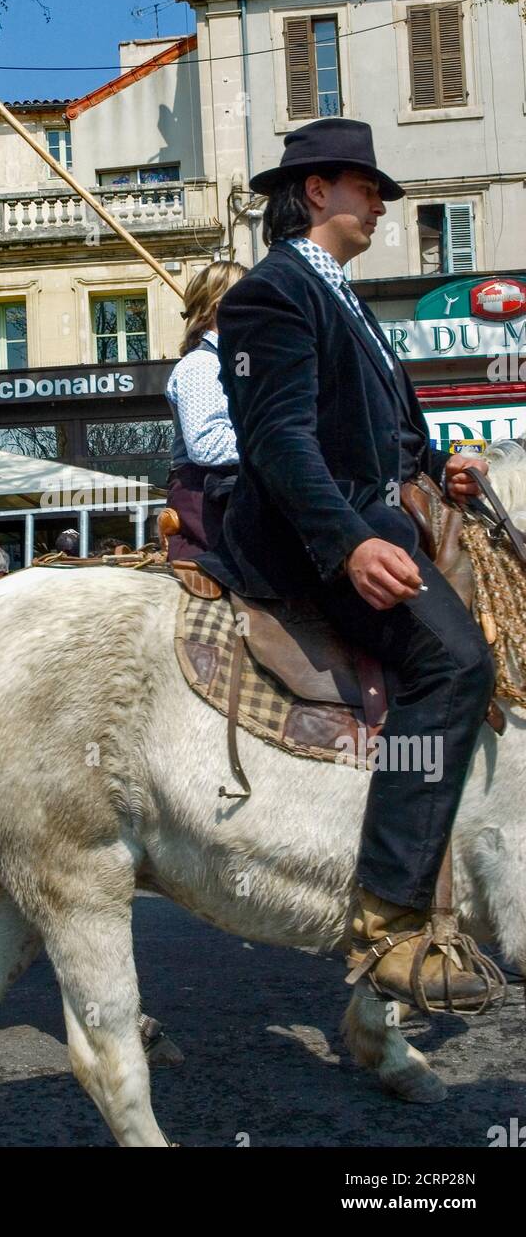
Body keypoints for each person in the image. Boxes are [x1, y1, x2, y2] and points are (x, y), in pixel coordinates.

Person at [199, 117, 494, 1012]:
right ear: (317, 192)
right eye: (367, 188)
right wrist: (348, 541)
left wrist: (439, 466)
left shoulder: (346, 297)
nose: (378, 204)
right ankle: (387, 921)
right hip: (305, 528)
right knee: (455, 662)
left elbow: (388, 427)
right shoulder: (270, 294)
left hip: (375, 506)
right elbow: (279, 440)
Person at [164, 262, 246, 560]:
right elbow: (207, 446)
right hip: (205, 496)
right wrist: (276, 444)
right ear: (222, 306)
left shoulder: (229, 363)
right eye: (252, 298)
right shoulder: (201, 366)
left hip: (225, 493)